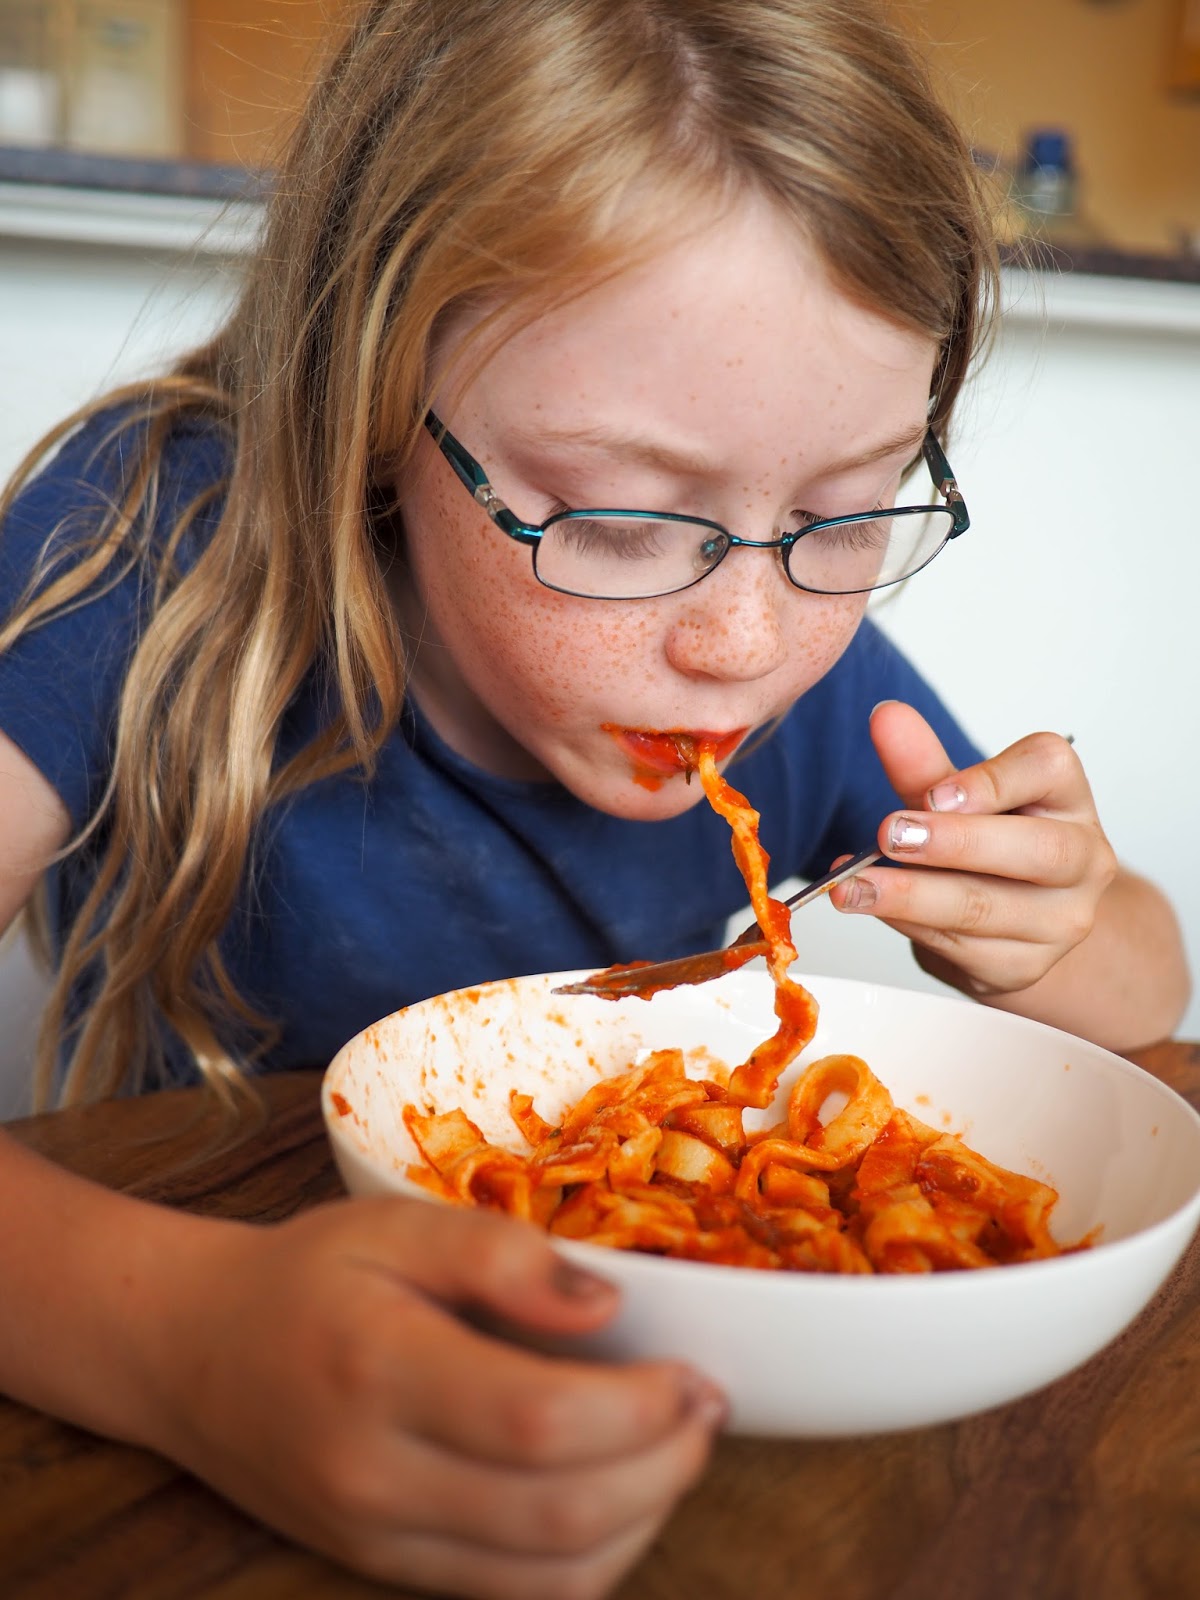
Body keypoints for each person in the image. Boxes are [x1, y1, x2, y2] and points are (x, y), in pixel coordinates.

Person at [0, 1, 1189, 1595]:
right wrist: (182, 1345)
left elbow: (1146, 997)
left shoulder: (808, 667)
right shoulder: (149, 542)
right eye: (622, 519)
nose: (744, 646)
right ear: (375, 400)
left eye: (847, 513)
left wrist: (1063, 922)